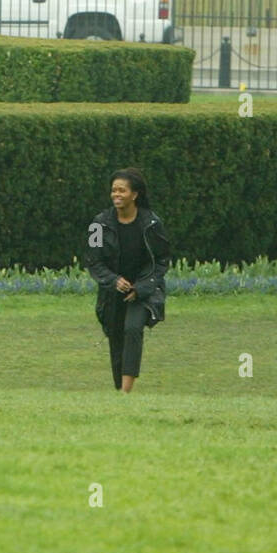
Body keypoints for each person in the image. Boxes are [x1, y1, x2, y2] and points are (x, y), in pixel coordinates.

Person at [85, 167, 171, 394]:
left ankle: (125, 391)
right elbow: (94, 262)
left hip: (144, 291)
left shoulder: (152, 224)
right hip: (113, 292)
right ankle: (119, 393)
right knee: (115, 336)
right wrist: (113, 281)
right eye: (114, 190)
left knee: (132, 329)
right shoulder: (98, 224)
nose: (116, 195)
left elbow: (161, 260)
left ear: (135, 194)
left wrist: (141, 288)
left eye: (122, 190)